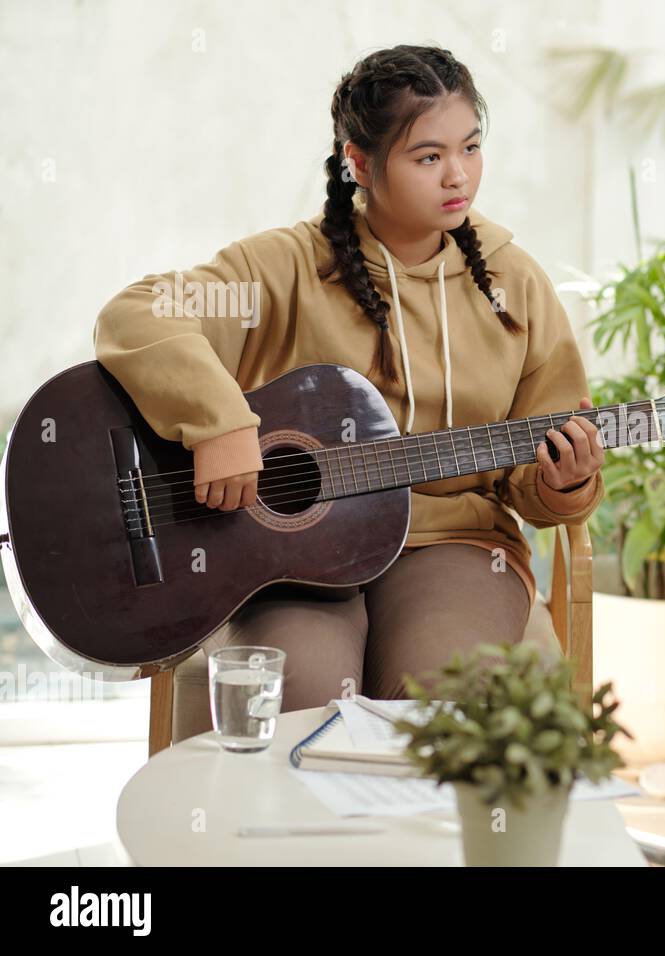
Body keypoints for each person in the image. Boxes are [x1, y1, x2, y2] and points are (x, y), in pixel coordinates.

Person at [93, 45, 604, 710]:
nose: (460, 176)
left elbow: (540, 467)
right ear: (358, 162)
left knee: (435, 697)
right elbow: (135, 315)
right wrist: (219, 422)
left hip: (453, 545)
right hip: (288, 556)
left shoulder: (517, 283)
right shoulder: (286, 266)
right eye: (429, 157)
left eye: (471, 148)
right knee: (302, 691)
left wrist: (564, 483)